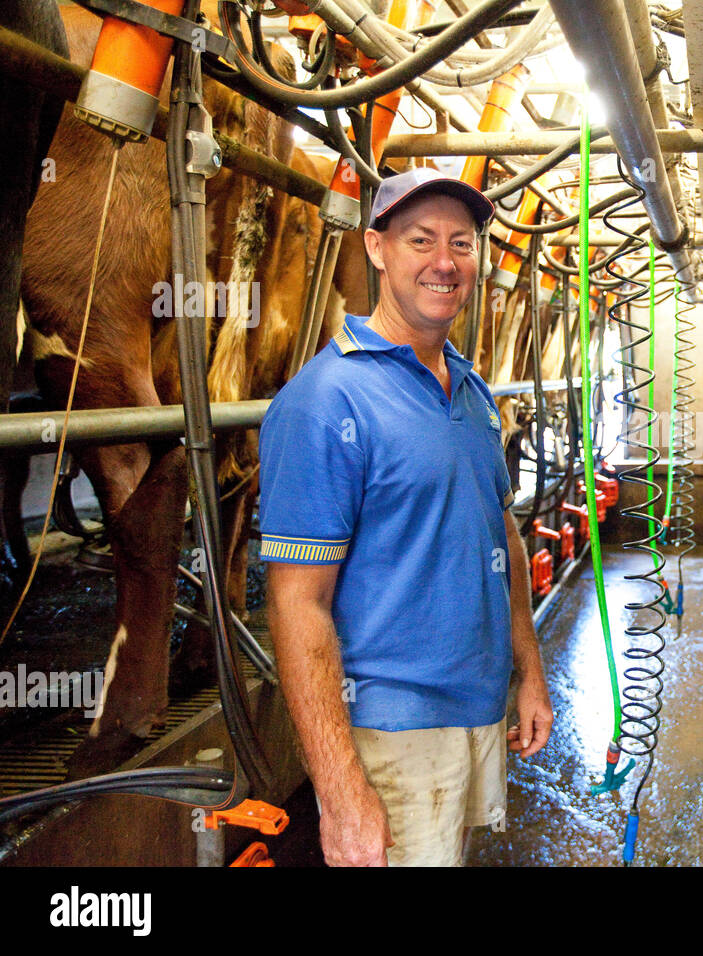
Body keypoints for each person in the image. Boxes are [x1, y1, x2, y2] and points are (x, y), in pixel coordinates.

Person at [258, 168, 553, 866]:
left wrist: (528, 668)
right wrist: (338, 787)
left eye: (461, 242)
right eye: (421, 239)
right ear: (377, 248)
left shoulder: (473, 389)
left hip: (475, 709)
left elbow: (499, 531)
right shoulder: (326, 402)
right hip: (391, 730)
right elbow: (296, 604)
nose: (444, 262)